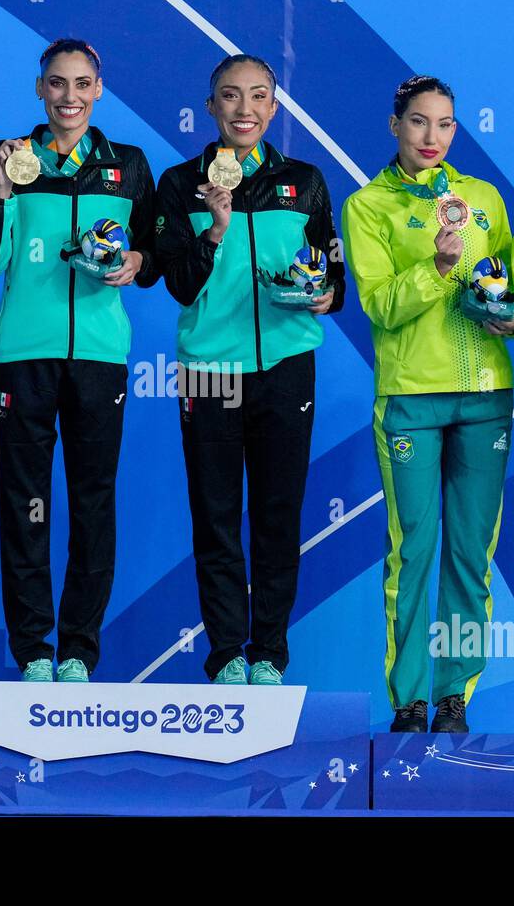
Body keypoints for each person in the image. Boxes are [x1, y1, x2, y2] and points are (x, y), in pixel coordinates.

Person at [0, 39, 158, 683]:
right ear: (39, 90)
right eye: (57, 84)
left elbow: (151, 254)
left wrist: (136, 262)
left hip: (100, 358)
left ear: (99, 89)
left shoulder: (128, 166)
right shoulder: (9, 160)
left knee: (92, 502)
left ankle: (78, 648)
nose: (69, 97)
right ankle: (33, 652)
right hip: (23, 356)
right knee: (24, 503)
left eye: (81, 84)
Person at [155, 53, 345, 686]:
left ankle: (268, 654)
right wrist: (214, 229)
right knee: (215, 518)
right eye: (230, 97)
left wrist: (327, 295)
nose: (244, 109)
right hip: (211, 370)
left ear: (274, 106)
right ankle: (226, 655)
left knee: (277, 515)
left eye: (258, 96)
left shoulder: (307, 181)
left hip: (286, 366)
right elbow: (179, 287)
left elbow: (330, 272)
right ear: (210, 107)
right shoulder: (182, 184)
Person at [342, 76, 514, 733]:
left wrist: (509, 311)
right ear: (396, 126)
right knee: (413, 552)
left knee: (470, 556)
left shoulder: (484, 200)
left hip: (485, 398)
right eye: (419, 123)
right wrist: (437, 269)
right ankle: (410, 698)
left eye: (445, 125)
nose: (432, 138)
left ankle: (454, 696)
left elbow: (506, 289)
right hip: (411, 398)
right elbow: (380, 306)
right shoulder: (368, 206)